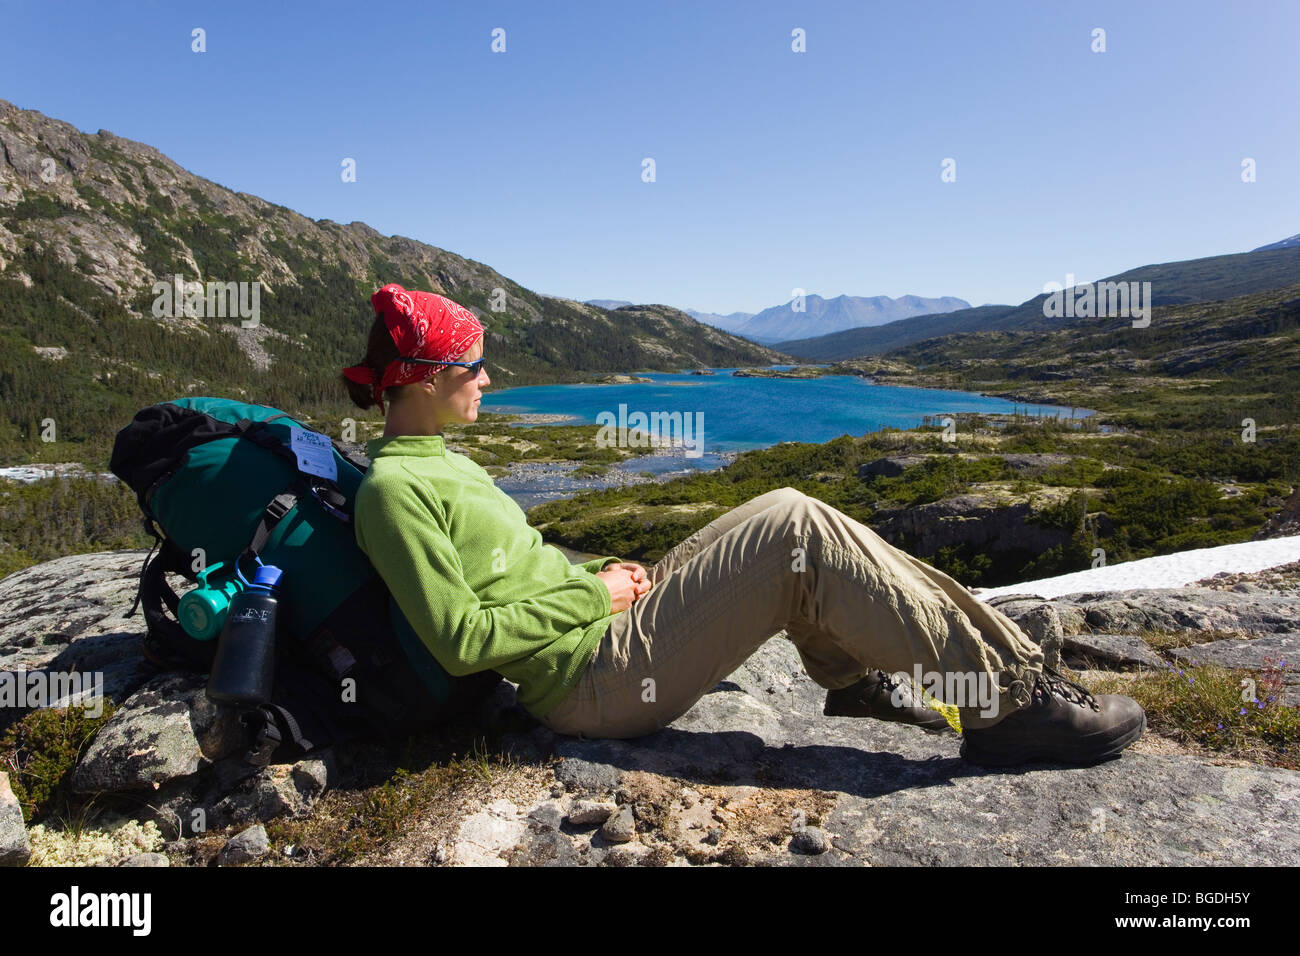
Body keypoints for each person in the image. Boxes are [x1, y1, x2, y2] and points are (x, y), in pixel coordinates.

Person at [342, 284, 1147, 767]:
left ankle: (854, 680)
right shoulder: (395, 491)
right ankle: (1010, 705)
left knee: (788, 506)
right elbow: (460, 638)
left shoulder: (440, 457)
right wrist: (596, 601)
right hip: (589, 684)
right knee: (795, 533)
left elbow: (509, 573)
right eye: (471, 366)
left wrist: (591, 577)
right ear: (417, 379)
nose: (488, 378)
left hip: (598, 635)